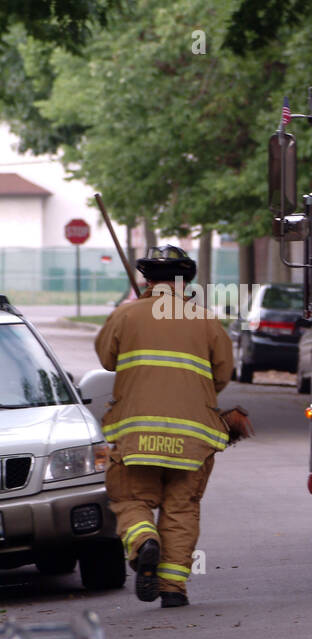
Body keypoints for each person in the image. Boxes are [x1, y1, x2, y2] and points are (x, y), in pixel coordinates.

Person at [94, 246, 235, 607]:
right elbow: (222, 375)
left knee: (131, 499)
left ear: (147, 278)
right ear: (186, 281)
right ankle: (173, 588)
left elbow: (107, 360)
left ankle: (144, 542)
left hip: (136, 436)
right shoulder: (206, 319)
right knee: (181, 508)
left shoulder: (125, 315)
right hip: (194, 439)